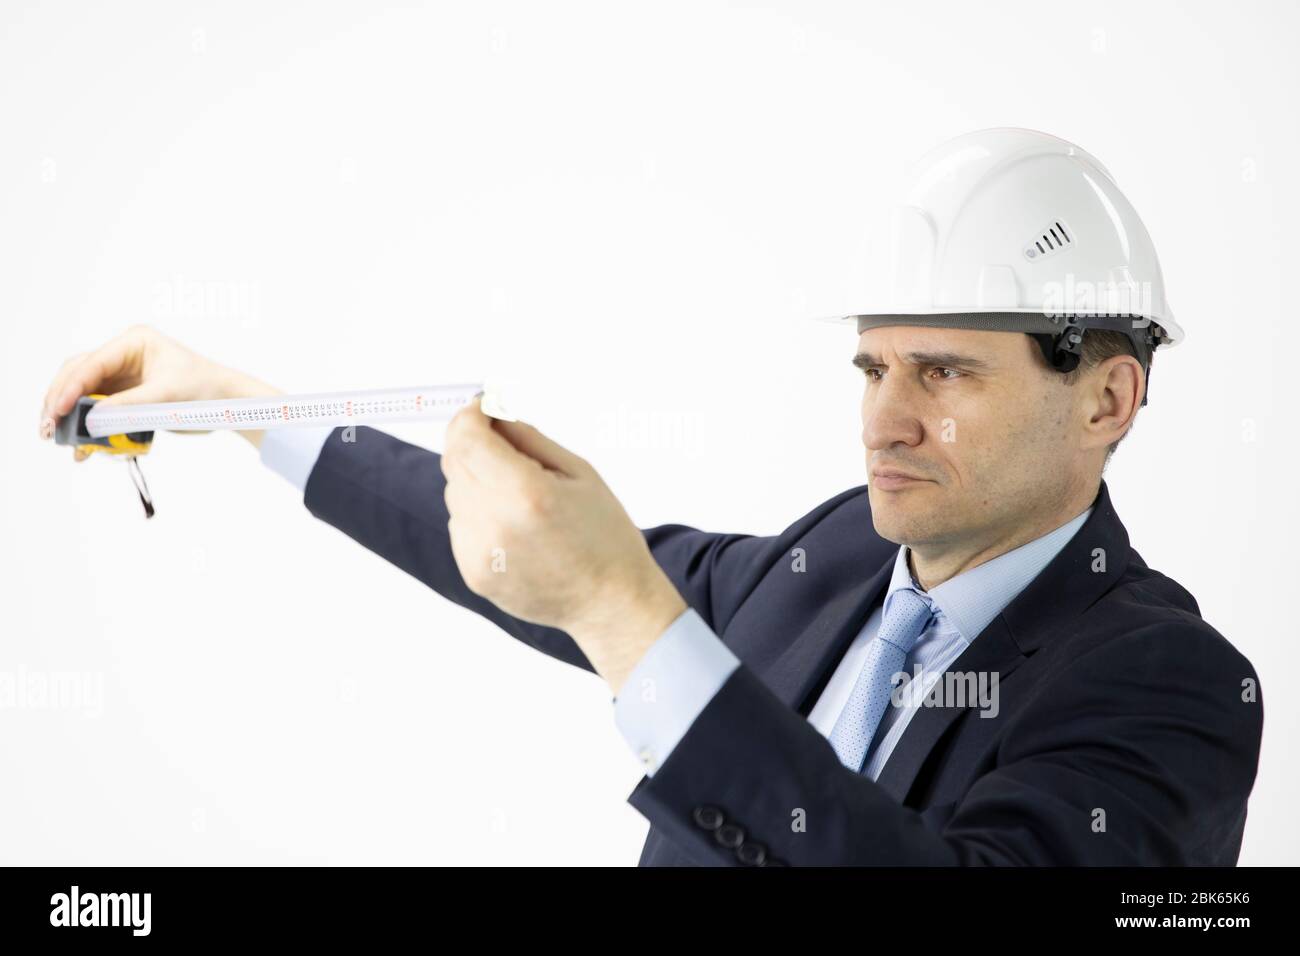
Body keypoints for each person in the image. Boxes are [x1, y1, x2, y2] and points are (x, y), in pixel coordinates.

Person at [39, 130, 1264, 866]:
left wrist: (627, 615)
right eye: (873, 365)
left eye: (944, 371)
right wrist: (243, 409)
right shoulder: (839, 555)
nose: (882, 418)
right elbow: (515, 546)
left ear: (1105, 400)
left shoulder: (1171, 685)